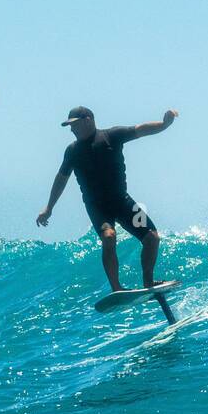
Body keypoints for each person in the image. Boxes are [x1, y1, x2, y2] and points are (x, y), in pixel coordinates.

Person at [36, 106, 179, 292]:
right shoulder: (72, 151)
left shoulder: (112, 135)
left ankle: (148, 282)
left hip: (122, 201)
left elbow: (140, 129)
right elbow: (61, 178)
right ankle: (116, 288)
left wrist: (164, 124)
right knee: (109, 237)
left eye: (75, 125)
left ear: (88, 120)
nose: (72, 130)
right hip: (97, 206)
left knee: (152, 238)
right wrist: (49, 208)